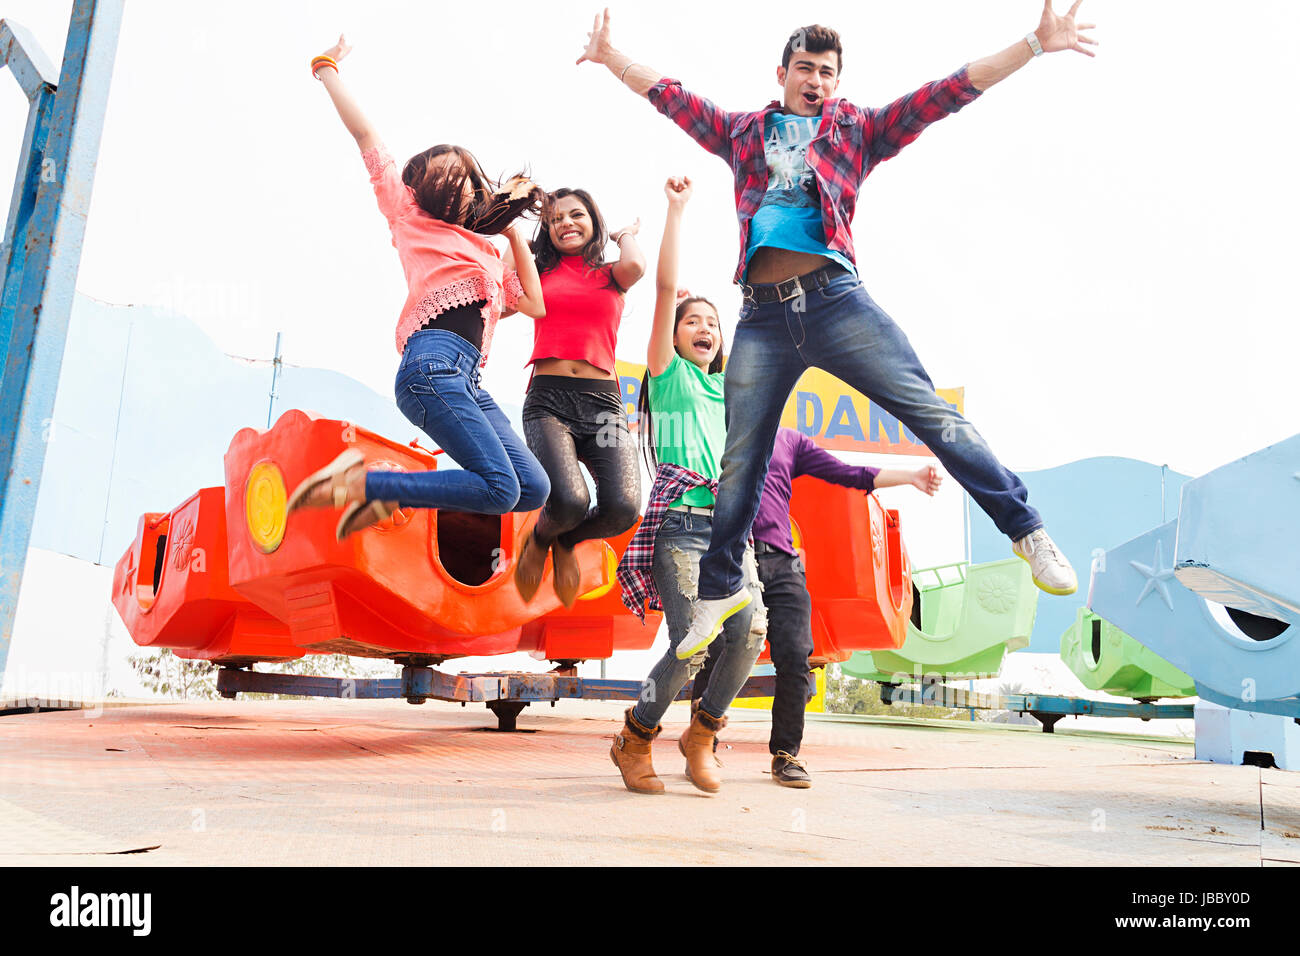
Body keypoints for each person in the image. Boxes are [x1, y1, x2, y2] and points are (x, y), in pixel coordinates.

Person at [577, 4, 1094, 658]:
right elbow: (671, 97)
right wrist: (610, 57)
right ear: (783, 73)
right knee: (742, 457)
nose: (816, 80)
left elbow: (945, 94)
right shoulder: (742, 132)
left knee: (930, 412)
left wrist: (1032, 44)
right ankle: (717, 589)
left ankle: (1026, 529)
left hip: (836, 303)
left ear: (836, 83)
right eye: (805, 69)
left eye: (827, 72)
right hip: (761, 316)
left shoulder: (859, 131)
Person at [287, 36, 550, 537]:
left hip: (468, 381)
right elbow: (366, 136)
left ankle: (383, 489)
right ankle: (372, 485)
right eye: (441, 176)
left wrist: (513, 230)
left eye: (465, 178)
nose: (455, 184)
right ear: (420, 188)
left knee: (531, 490)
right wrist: (327, 69)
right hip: (431, 367)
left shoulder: (488, 254)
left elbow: (534, 303)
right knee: (500, 487)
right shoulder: (408, 216)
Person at [610, 175, 766, 795]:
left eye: (713, 323)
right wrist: (676, 211)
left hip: (730, 531)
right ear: (674, 336)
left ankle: (702, 733)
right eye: (693, 321)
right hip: (682, 525)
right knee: (690, 646)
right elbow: (666, 288)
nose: (705, 327)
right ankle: (636, 736)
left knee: (751, 632)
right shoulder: (669, 377)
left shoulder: (731, 392)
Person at [691, 426, 942, 787]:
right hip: (730, 557)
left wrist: (911, 476)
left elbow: (848, 474)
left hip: (781, 561)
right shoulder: (712, 423)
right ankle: (702, 744)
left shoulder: (788, 440)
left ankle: (786, 754)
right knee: (718, 651)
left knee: (795, 654)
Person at [511, 189, 645, 606]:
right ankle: (541, 536)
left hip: (604, 404)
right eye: (555, 219)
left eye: (576, 215)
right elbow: (499, 291)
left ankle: (565, 539)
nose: (566, 223)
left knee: (623, 508)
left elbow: (637, 264)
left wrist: (624, 236)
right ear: (546, 230)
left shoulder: (611, 274)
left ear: (593, 221)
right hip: (550, 401)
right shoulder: (538, 273)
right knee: (570, 499)